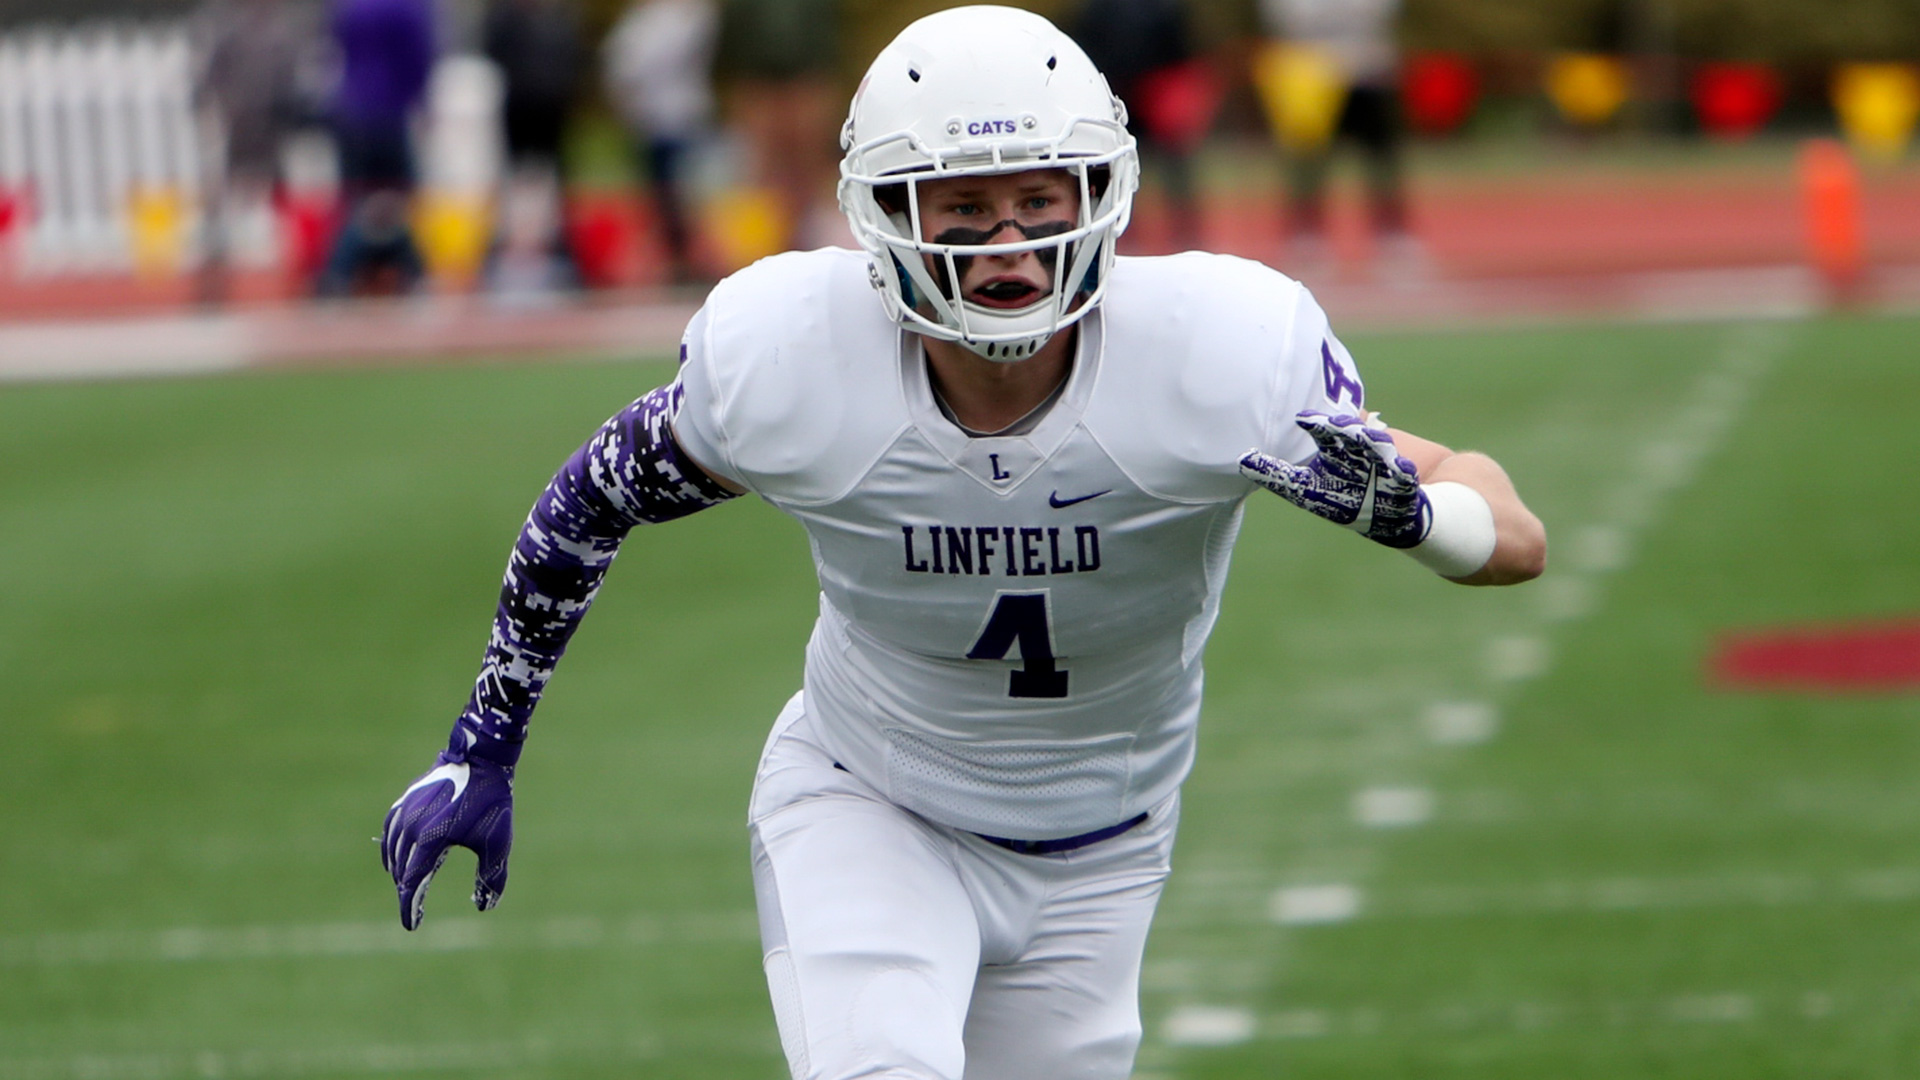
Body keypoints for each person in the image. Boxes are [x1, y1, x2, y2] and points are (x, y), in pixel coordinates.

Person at [379, 8, 1545, 1079]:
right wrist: (485, 741)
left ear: (1100, 192)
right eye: (964, 208)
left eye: (1041, 200)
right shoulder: (797, 359)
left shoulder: (1215, 358)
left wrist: (1422, 521)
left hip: (1106, 850)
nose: (1008, 244)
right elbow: (592, 500)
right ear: (887, 219)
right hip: (869, 805)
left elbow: (1513, 533)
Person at [315, 0, 434, 296]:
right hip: (390, 111)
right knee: (399, 200)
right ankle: (416, 275)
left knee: (355, 202)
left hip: (351, 108)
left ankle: (338, 275)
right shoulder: (408, 7)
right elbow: (418, 54)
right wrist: (422, 100)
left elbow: (335, 45)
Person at [603, 0, 719, 284]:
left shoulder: (685, 16)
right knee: (659, 193)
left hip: (677, 119)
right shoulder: (646, 17)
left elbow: (644, 60)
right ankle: (673, 255)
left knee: (681, 193)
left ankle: (689, 256)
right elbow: (619, 59)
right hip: (650, 118)